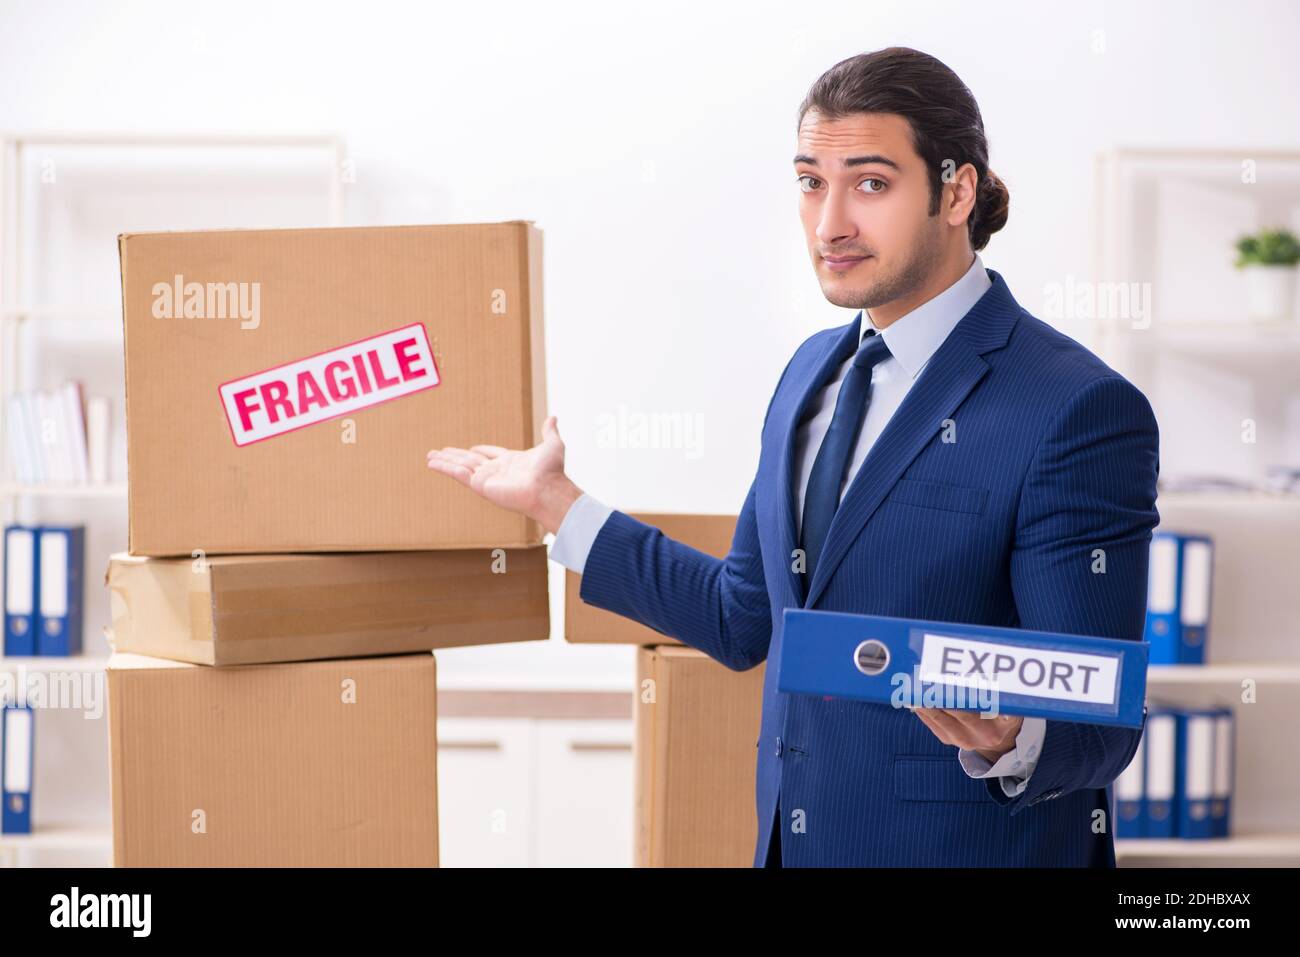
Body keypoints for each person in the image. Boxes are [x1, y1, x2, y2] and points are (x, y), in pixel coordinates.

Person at [428, 47, 1159, 867]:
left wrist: (1018, 732)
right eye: (812, 181)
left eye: (871, 184)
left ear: (957, 192)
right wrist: (558, 505)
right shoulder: (814, 370)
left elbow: (1100, 712)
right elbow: (747, 615)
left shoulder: (1076, 407)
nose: (829, 223)